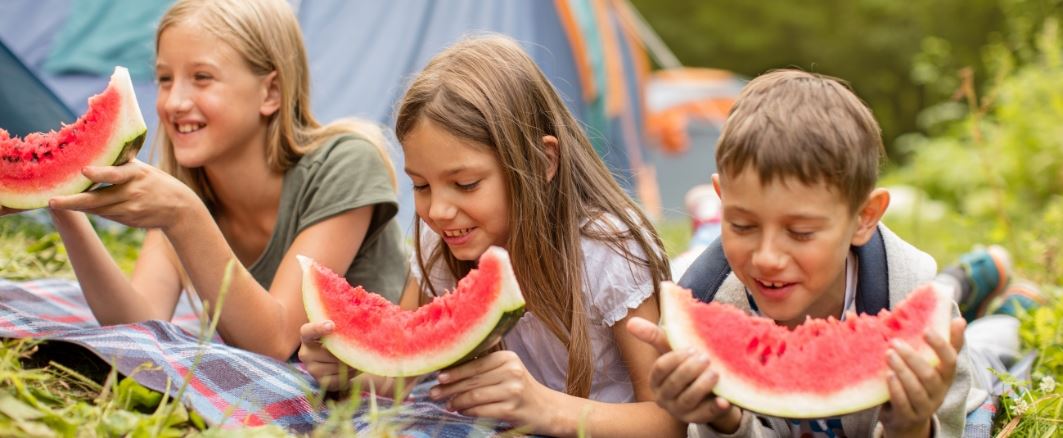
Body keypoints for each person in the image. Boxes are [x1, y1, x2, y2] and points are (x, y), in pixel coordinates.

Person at [298, 34, 686, 437]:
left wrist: (545, 408)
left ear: (541, 162)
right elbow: (399, 373)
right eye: (421, 186)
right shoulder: (441, 246)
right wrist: (346, 369)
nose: (437, 211)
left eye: (465, 184)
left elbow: (670, 422)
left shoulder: (609, 252)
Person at [17, 0, 408, 360]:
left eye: (202, 77)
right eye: (165, 79)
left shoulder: (346, 164)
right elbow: (137, 325)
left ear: (270, 91)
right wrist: (62, 200)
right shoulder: (190, 187)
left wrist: (185, 216)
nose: (173, 102)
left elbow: (275, 342)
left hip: (384, 374)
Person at [626, 69, 975, 437]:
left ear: (864, 218)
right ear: (723, 196)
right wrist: (721, 421)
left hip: (962, 341)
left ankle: (976, 282)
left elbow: (953, 423)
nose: (767, 258)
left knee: (993, 348)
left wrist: (913, 428)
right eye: (743, 225)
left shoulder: (910, 295)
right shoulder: (706, 298)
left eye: (800, 232)